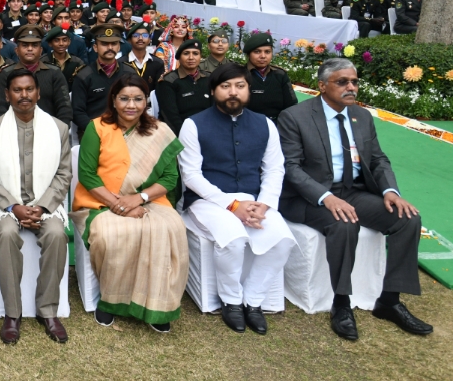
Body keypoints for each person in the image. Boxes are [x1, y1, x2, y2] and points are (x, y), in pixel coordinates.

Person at [278, 58, 431, 341]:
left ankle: (389, 300)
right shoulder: (294, 117)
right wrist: (325, 198)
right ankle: (341, 303)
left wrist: (390, 192)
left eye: (354, 81)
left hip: (353, 191)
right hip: (308, 197)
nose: (351, 87)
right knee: (344, 224)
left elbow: (377, 159)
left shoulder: (361, 116)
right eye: (342, 82)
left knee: (407, 218)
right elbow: (290, 168)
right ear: (322, 86)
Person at [179, 63, 296, 335]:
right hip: (207, 201)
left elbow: (275, 168)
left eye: (240, 86)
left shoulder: (265, 124)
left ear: (249, 90)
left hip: (254, 200)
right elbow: (191, 175)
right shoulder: (193, 124)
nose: (233, 92)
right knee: (232, 239)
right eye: (226, 86)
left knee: (282, 240)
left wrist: (263, 205)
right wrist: (232, 205)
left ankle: (252, 302)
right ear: (212, 91)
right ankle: (231, 301)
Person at [73, 75, 186, 333]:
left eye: (138, 99)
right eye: (124, 98)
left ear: (146, 101)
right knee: (112, 234)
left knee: (169, 229)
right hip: (99, 201)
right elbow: (88, 175)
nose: (130, 105)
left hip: (149, 200)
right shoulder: (98, 127)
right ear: (113, 100)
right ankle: (112, 302)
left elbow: (169, 178)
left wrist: (139, 198)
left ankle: (157, 303)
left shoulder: (160, 131)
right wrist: (119, 205)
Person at [0, 68, 72, 344]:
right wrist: (14, 207)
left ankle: (47, 311)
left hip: (46, 203)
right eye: (17, 90)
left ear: (38, 93)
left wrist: (42, 208)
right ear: (7, 95)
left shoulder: (59, 128)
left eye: (29, 89)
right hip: (5, 205)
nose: (24, 95)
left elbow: (63, 174)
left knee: (56, 234)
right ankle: (12, 313)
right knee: (7, 234)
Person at [0, 26, 72, 126]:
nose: (30, 49)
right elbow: (0, 109)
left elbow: (64, 107)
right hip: (14, 132)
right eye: (25, 45)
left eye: (34, 45)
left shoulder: (54, 73)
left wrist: (58, 132)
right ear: (17, 50)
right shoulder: (5, 74)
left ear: (41, 50)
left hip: (49, 130)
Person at [71, 24, 129, 137]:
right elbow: (77, 112)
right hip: (93, 133)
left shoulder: (129, 74)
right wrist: (97, 131)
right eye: (104, 44)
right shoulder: (84, 76)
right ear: (95, 47)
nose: (110, 47)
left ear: (119, 47)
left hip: (125, 132)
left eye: (114, 43)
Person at [155, 39, 211, 135]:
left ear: (200, 57)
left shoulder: (209, 78)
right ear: (179, 58)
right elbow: (171, 117)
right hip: (180, 134)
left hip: (208, 131)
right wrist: (187, 136)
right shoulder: (169, 81)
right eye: (186, 53)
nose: (191, 57)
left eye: (195, 53)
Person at [242, 33, 297, 121]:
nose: (263, 56)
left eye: (267, 52)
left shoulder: (280, 75)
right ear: (249, 54)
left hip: (278, 124)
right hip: (248, 124)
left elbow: (291, 105)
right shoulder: (240, 75)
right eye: (257, 52)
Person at [119, 18, 163, 106]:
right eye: (136, 35)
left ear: (150, 39)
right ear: (129, 40)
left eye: (145, 35)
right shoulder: (121, 63)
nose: (140, 38)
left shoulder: (157, 63)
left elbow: (159, 90)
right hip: (126, 106)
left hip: (150, 108)